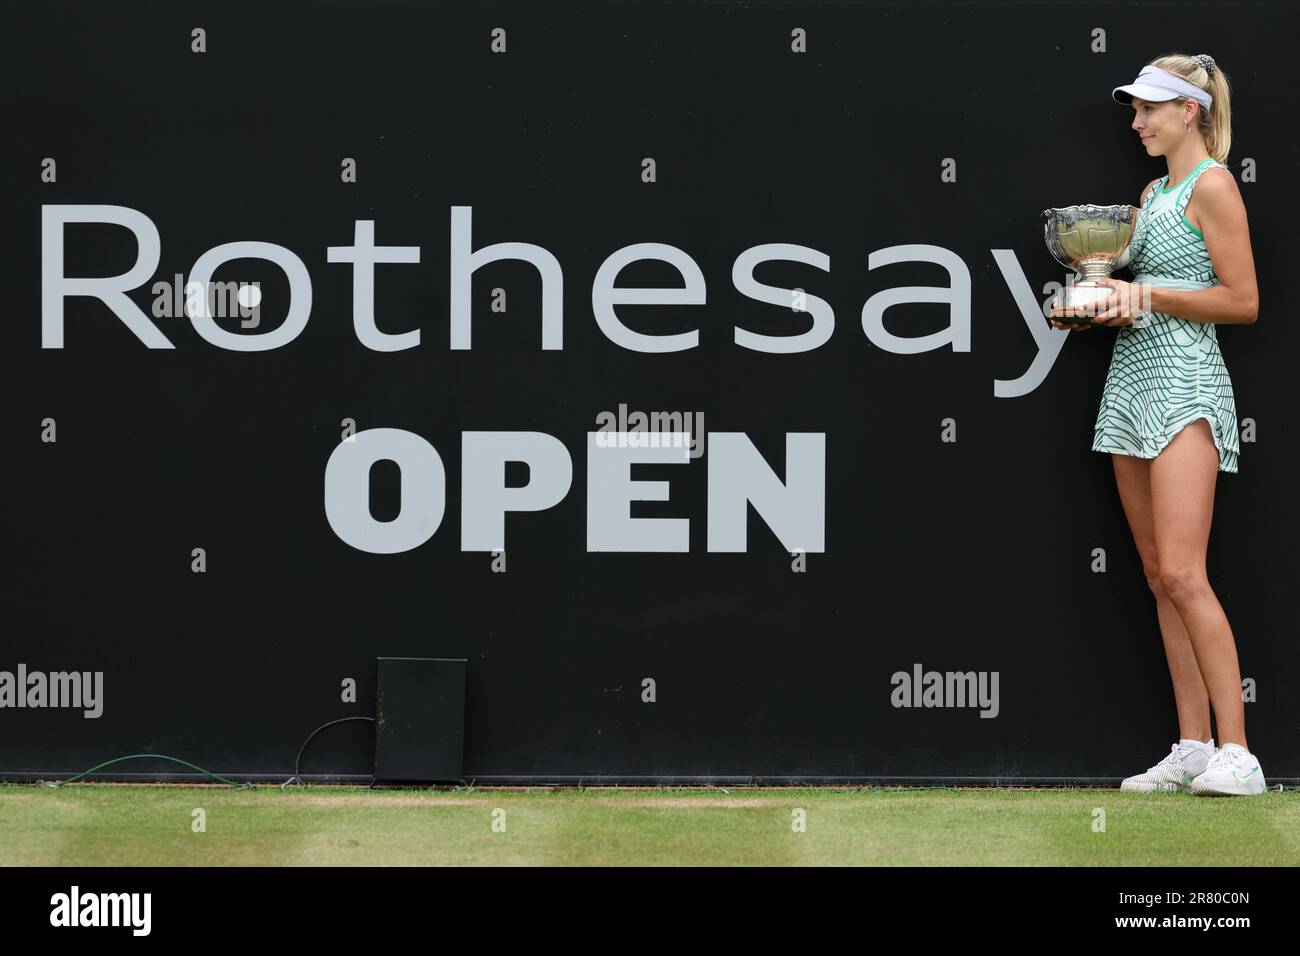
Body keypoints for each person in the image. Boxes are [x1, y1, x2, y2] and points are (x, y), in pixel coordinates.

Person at [1051, 53, 1264, 796]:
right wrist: (1101, 301)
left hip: (1186, 384)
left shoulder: (1214, 187)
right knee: (1155, 576)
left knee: (1183, 571)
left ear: (1189, 112)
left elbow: (1242, 301)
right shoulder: (1152, 190)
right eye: (1134, 111)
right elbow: (1138, 288)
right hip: (1131, 382)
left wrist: (1147, 296)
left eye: (1148, 109)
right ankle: (1194, 746)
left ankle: (1241, 755)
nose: (1136, 122)